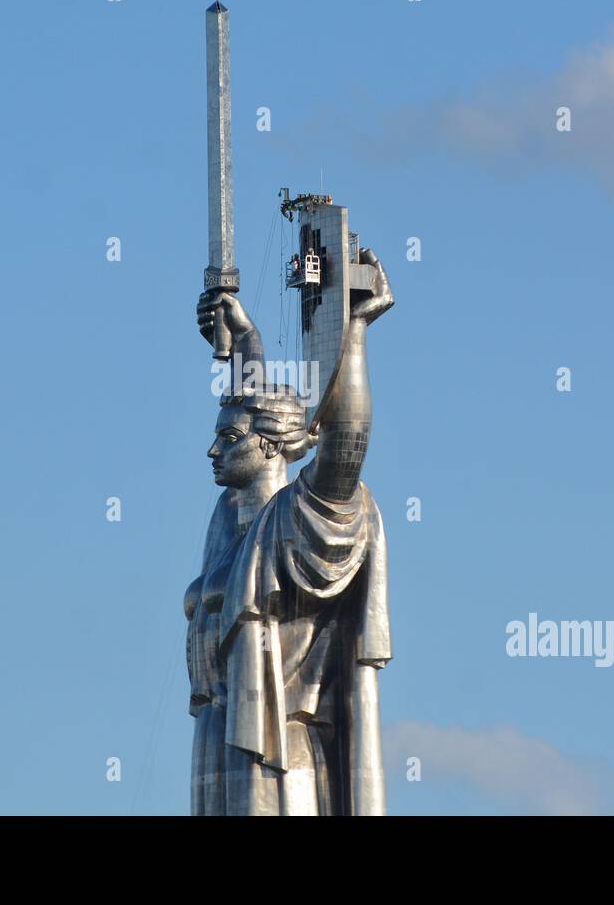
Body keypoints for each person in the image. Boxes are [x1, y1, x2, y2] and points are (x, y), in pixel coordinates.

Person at [185, 249, 394, 815]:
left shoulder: (296, 520)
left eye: (228, 440)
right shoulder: (232, 522)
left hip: (280, 757)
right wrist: (244, 342)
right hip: (222, 739)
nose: (212, 450)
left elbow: (346, 442)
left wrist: (352, 331)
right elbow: (250, 414)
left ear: (272, 444)